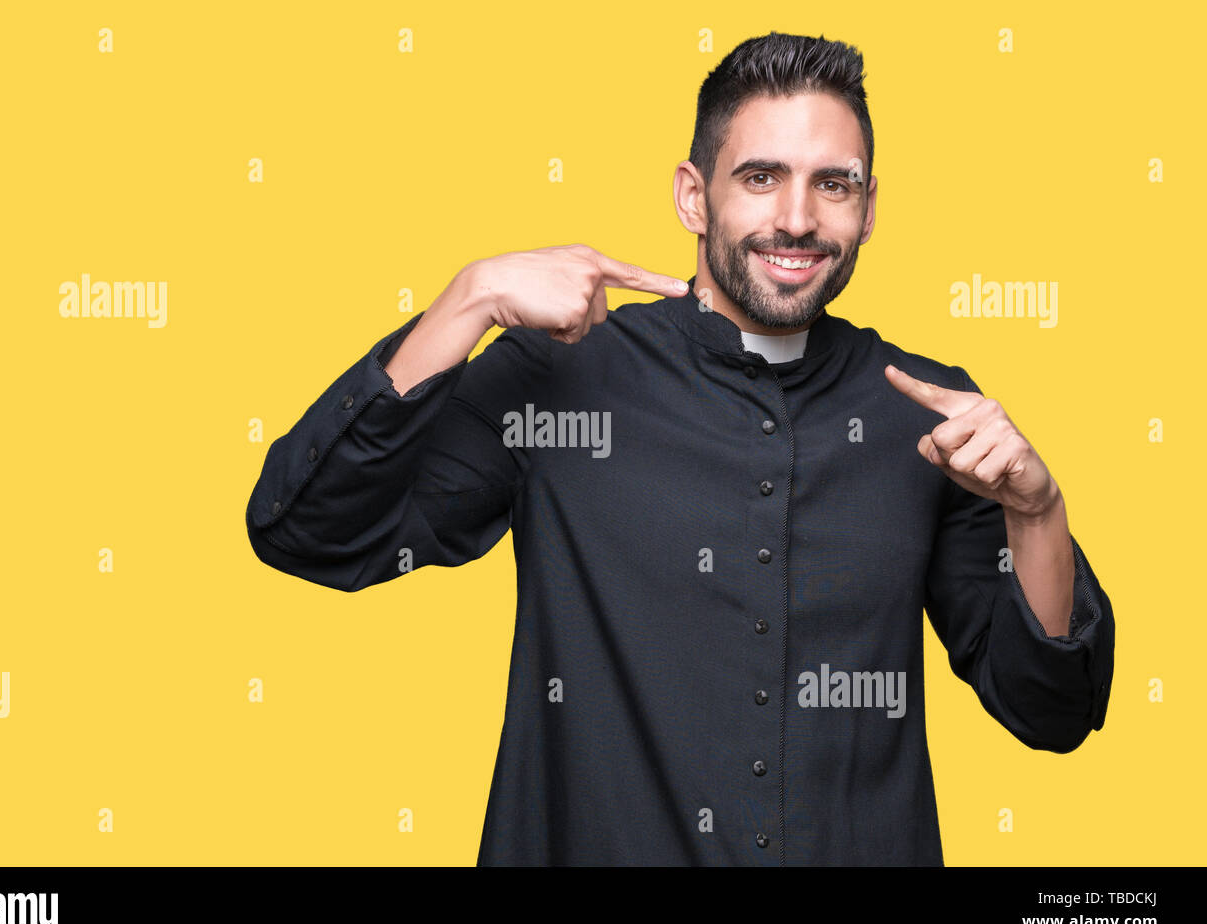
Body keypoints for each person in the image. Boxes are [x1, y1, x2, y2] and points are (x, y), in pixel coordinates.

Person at [245, 30, 1114, 865]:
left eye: (833, 185)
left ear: (870, 206)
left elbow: (1052, 711)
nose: (798, 219)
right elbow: (310, 532)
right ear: (694, 197)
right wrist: (464, 302)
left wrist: (1037, 513)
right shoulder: (559, 377)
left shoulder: (928, 414)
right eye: (762, 177)